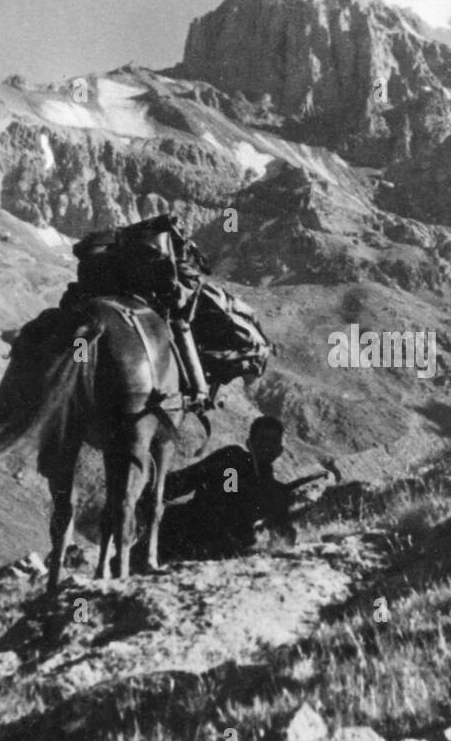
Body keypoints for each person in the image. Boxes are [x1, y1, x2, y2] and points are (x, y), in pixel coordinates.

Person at [59, 212, 212, 407]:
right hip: (132, 296)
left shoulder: (108, 250)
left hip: (90, 297)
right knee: (181, 327)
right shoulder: (159, 249)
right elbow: (177, 293)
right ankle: (199, 391)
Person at [158, 416, 296, 557]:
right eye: (262, 440)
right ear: (249, 444)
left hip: (220, 547)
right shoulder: (232, 460)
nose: (267, 446)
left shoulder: (277, 492)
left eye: (272, 442)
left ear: (279, 450)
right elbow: (189, 480)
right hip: (186, 533)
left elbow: (283, 535)